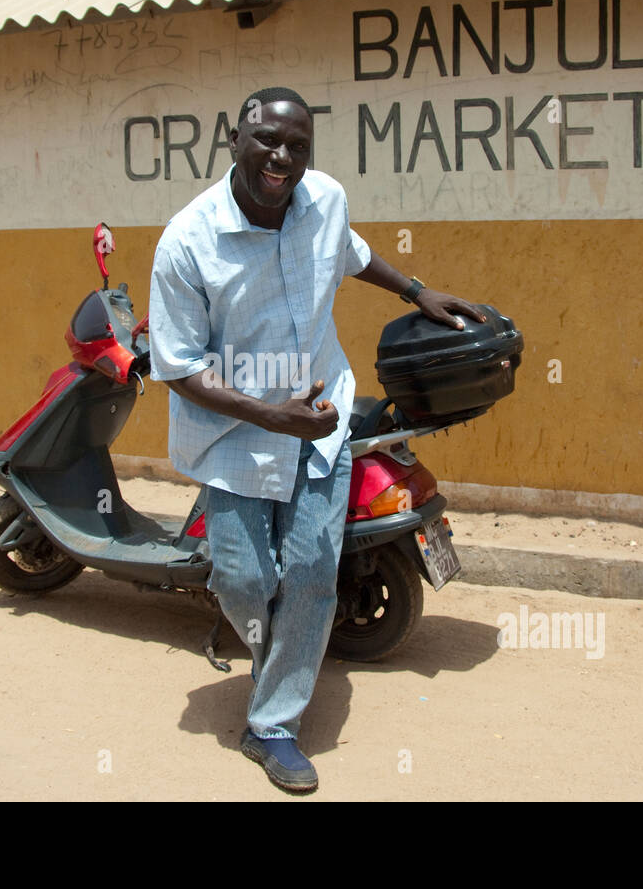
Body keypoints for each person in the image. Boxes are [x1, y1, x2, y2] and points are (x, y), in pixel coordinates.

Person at [148, 86, 481, 792]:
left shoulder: (323, 198)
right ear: (233, 139)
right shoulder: (187, 240)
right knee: (243, 577)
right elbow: (178, 367)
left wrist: (415, 290)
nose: (282, 156)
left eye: (297, 145)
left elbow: (352, 253)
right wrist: (273, 416)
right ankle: (282, 648)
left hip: (321, 419)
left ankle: (272, 723)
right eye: (267, 139)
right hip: (235, 433)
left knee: (310, 573)